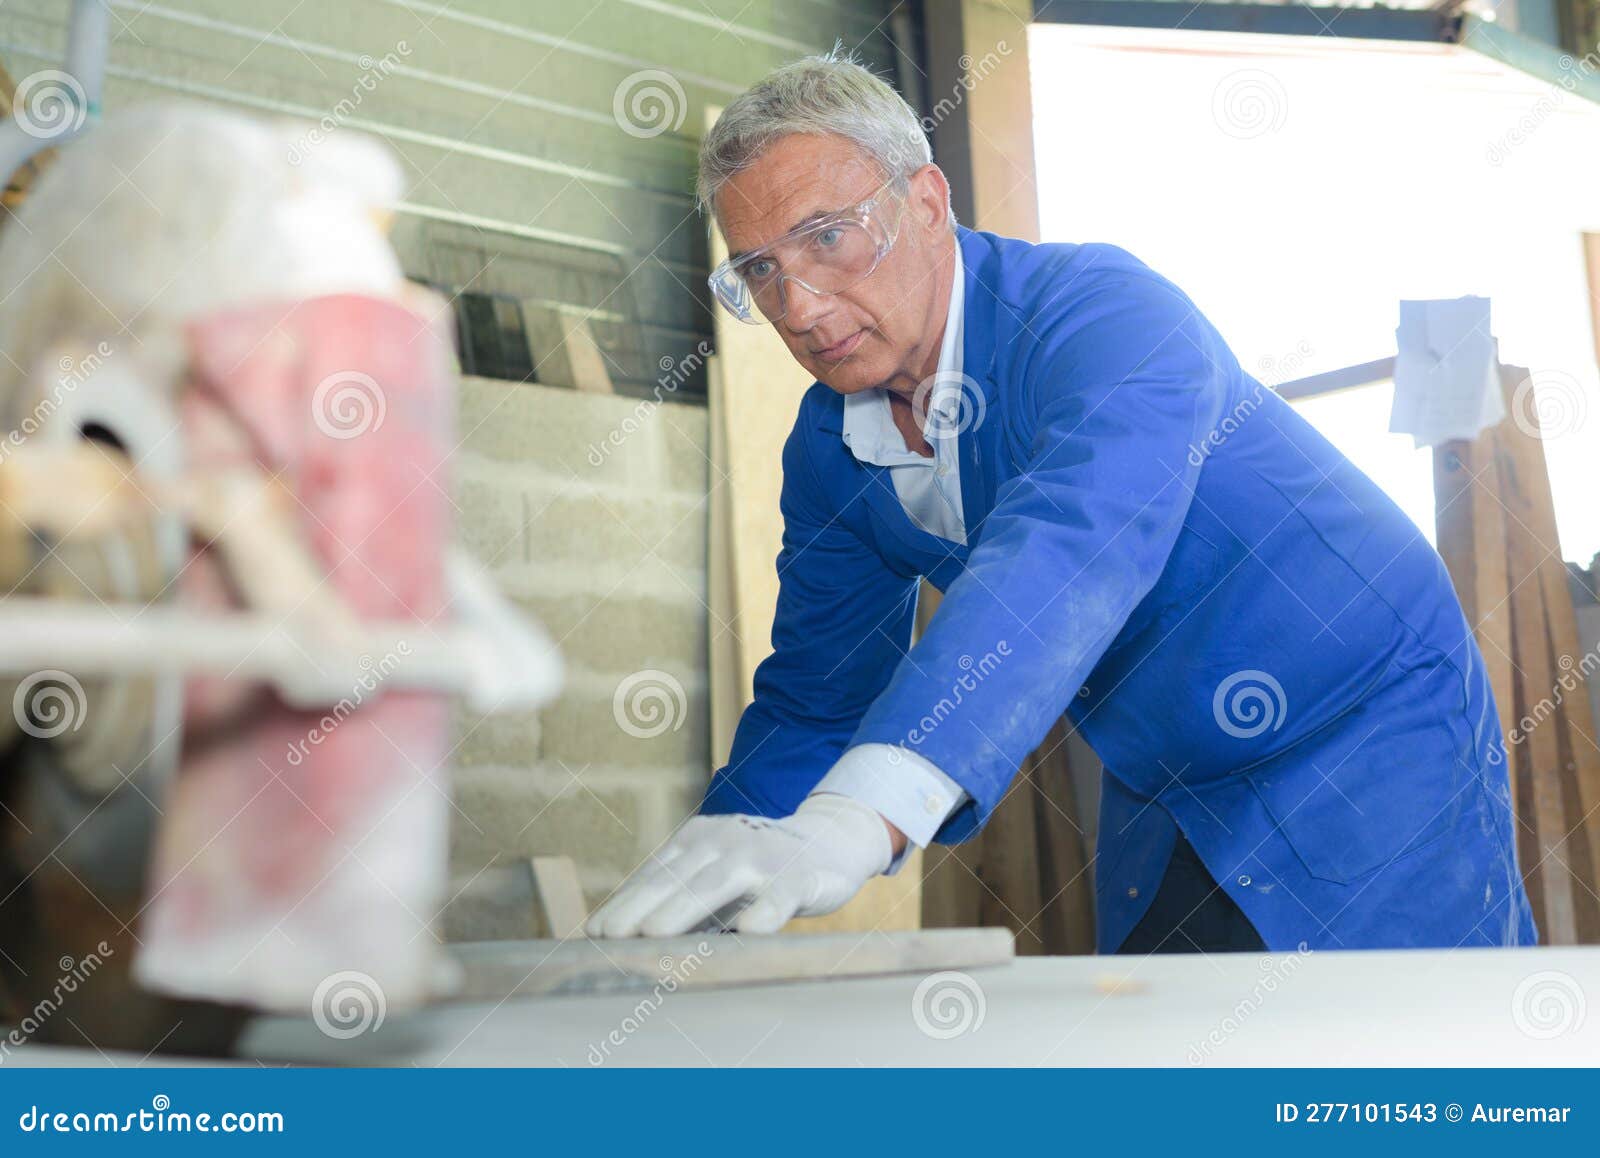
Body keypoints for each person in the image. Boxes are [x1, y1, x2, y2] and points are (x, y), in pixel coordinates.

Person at [587, 52, 1535, 953]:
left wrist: (858, 817)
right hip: (1165, 767)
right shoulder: (831, 447)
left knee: (1396, 1054)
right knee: (1176, 1061)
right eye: (758, 270)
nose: (796, 306)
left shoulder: (1105, 317)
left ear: (925, 203)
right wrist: (703, 884)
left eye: (826, 239)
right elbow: (817, 701)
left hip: (1360, 718)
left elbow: (1064, 553)